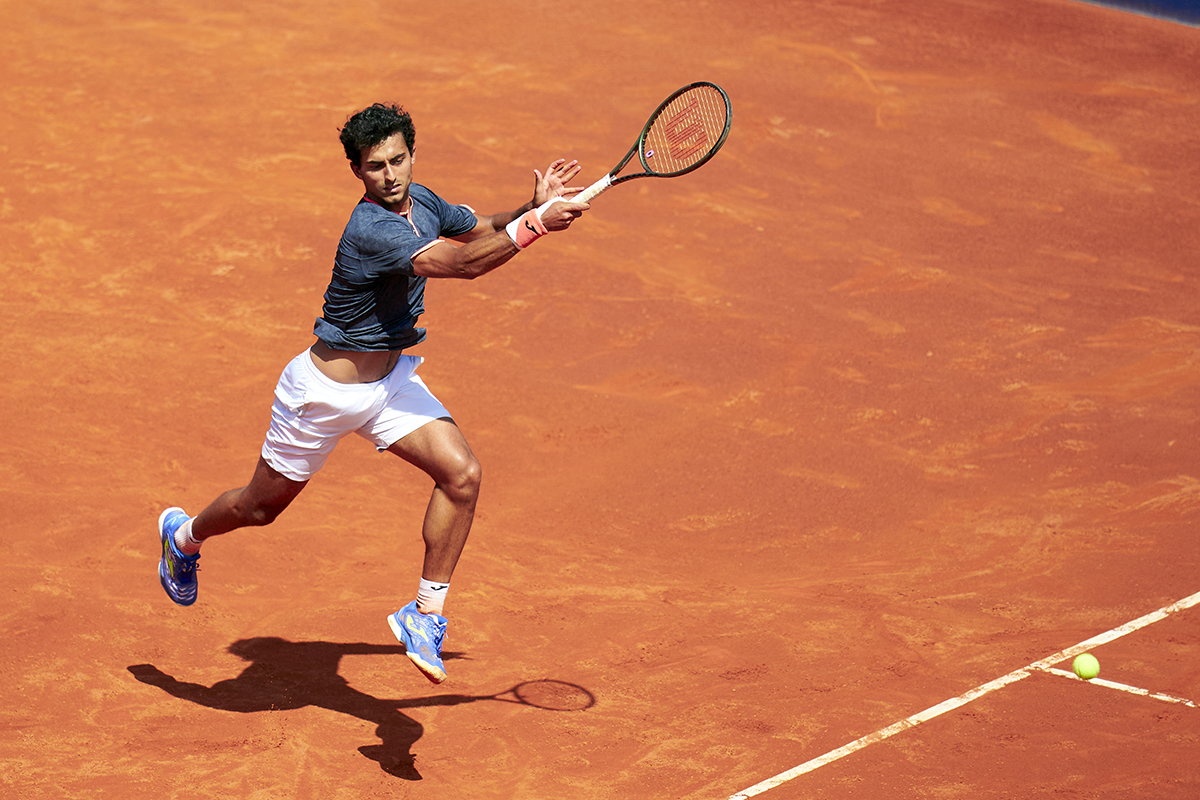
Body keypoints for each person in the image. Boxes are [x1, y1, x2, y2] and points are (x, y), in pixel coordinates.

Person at [157, 102, 587, 685]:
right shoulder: (371, 229)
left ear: (412, 154)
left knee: (462, 475)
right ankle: (184, 537)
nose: (390, 175)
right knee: (260, 508)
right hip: (323, 396)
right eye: (375, 166)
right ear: (357, 171)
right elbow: (462, 265)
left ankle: (425, 614)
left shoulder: (424, 200)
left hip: (390, 384)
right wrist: (536, 227)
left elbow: (476, 229)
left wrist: (529, 207)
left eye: (399, 159)